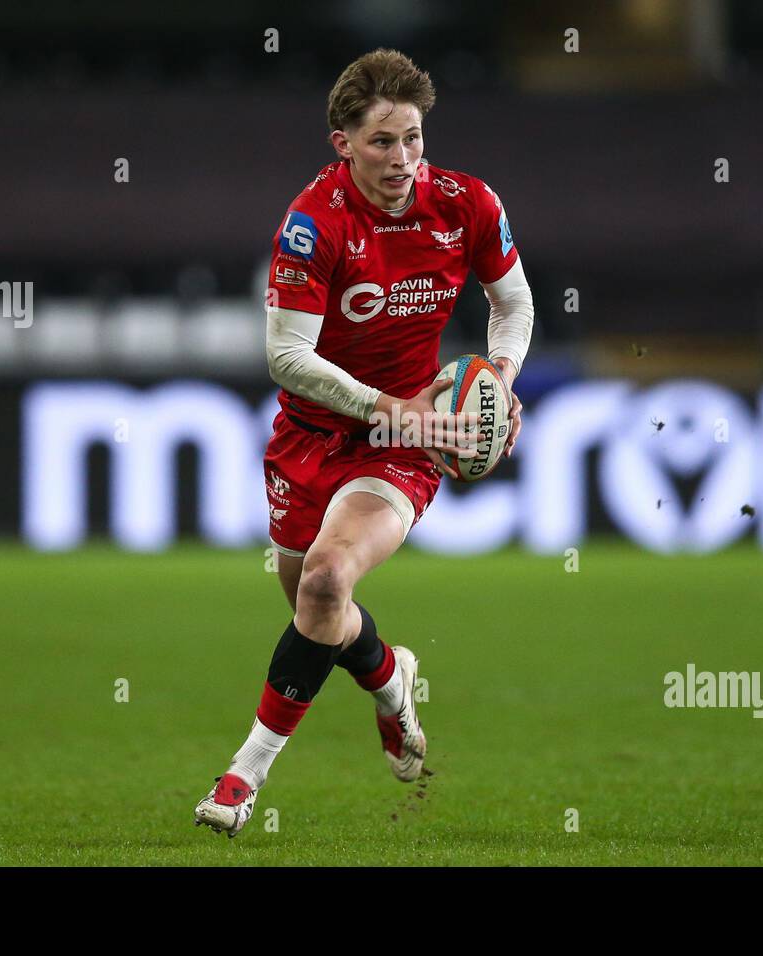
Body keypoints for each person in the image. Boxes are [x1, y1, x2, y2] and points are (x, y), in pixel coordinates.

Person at [195, 48, 534, 837]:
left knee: (323, 583)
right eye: (382, 141)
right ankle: (393, 687)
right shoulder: (314, 224)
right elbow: (286, 358)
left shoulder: (466, 204)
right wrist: (389, 403)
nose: (403, 158)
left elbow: (511, 302)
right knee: (327, 614)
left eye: (412, 137)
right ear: (342, 143)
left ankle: (243, 775)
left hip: (403, 442)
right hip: (309, 439)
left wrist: (501, 380)